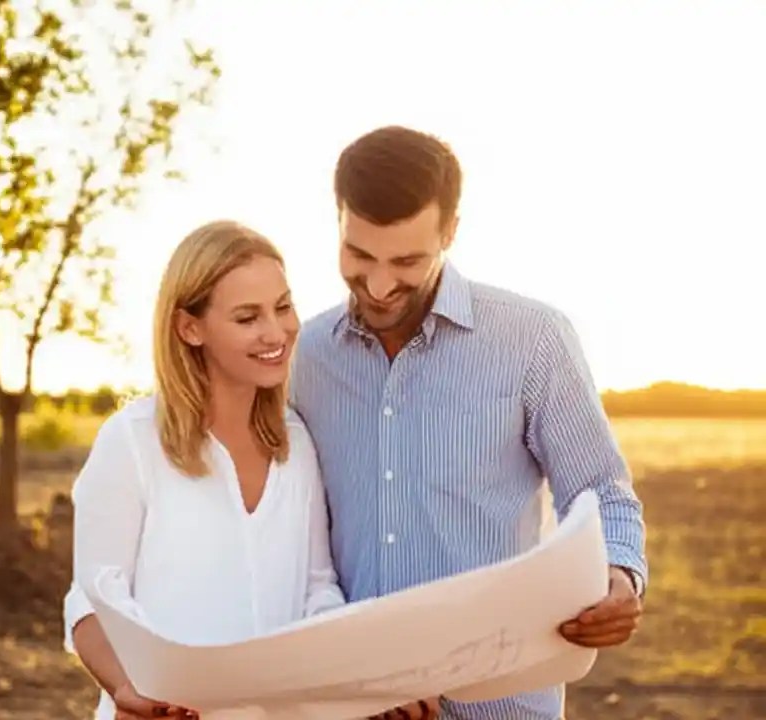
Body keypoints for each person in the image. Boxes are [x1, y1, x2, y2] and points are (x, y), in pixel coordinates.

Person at [290, 125, 648, 720]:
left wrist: (619, 570)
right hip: (355, 705)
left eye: (407, 260)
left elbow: (600, 490)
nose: (379, 284)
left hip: (504, 705)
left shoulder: (534, 339)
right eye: (359, 256)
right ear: (338, 222)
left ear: (450, 232)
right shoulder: (303, 357)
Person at [62, 219, 347, 720]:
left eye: (282, 306)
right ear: (189, 328)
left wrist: (359, 679)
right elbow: (91, 599)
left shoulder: (296, 441)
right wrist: (128, 688)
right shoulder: (131, 440)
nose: (276, 331)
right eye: (247, 317)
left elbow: (317, 588)